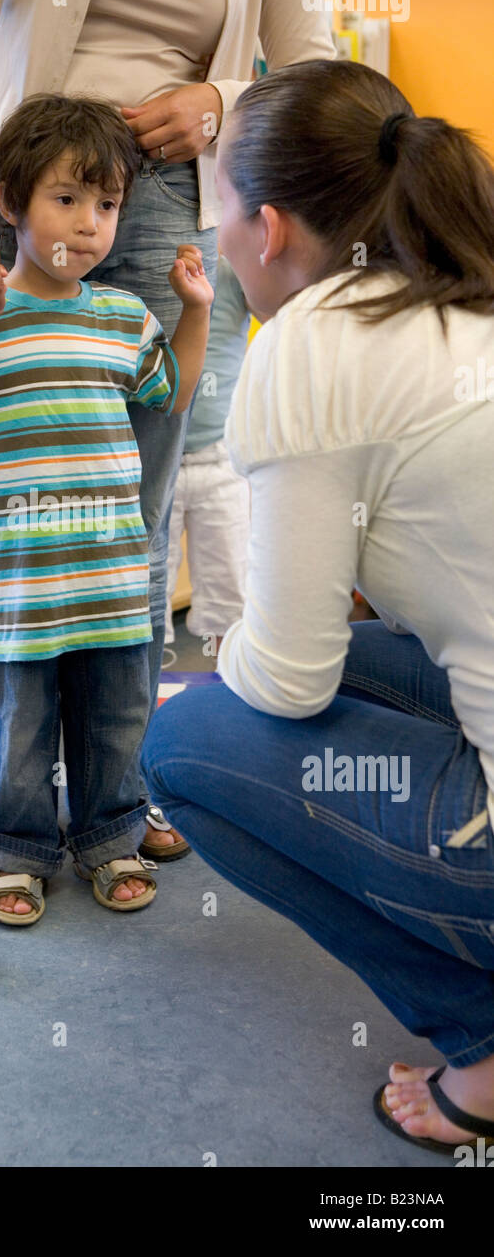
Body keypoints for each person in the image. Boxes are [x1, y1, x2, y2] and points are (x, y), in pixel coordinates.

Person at [0, 0, 339, 877]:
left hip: (159, 209)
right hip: (19, 188)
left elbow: (315, 74)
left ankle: (114, 787)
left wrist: (221, 103)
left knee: (128, 523)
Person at [141, 58, 494, 1155]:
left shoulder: (310, 338)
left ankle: (480, 1048)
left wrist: (196, 673)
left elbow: (283, 674)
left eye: (219, 206)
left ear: (273, 226)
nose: (214, 233)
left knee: (184, 743)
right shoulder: (461, 291)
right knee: (363, 653)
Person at [0, 95, 212, 923]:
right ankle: (15, 852)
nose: (91, 225)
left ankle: (111, 837)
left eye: (107, 205)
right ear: (10, 204)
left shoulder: (123, 318)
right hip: (16, 592)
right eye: (67, 200)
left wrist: (194, 311)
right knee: (20, 730)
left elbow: (172, 395)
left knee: (116, 719)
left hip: (112, 582)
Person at [164, 255, 251, 657]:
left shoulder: (233, 267)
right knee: (147, 596)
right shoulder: (147, 255)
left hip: (221, 460)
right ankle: (143, 706)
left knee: (229, 596)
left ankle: (227, 694)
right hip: (154, 457)